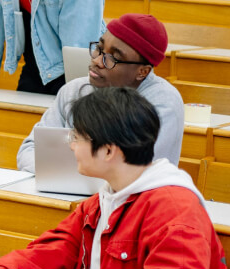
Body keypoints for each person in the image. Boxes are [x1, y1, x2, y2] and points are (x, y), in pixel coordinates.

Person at [0, 87, 230, 269]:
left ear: (108, 151)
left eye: (77, 137)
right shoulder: (108, 196)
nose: (71, 146)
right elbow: (59, 248)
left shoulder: (174, 208)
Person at [17, 13, 184, 172]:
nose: (97, 61)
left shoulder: (163, 103)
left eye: (113, 58)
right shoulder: (73, 90)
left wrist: (70, 170)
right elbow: (29, 150)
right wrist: (65, 173)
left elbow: (136, 171)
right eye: (99, 48)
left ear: (142, 72)